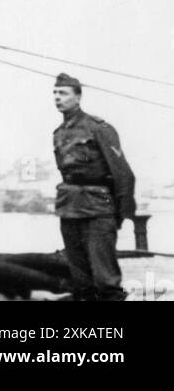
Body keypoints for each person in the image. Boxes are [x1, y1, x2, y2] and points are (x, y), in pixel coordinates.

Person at [52, 72, 136, 302]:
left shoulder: (98, 128)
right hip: (69, 210)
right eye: (55, 93)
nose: (57, 98)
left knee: (106, 281)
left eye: (63, 93)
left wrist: (120, 214)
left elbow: (124, 174)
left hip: (98, 211)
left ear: (78, 97)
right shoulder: (59, 134)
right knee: (81, 283)